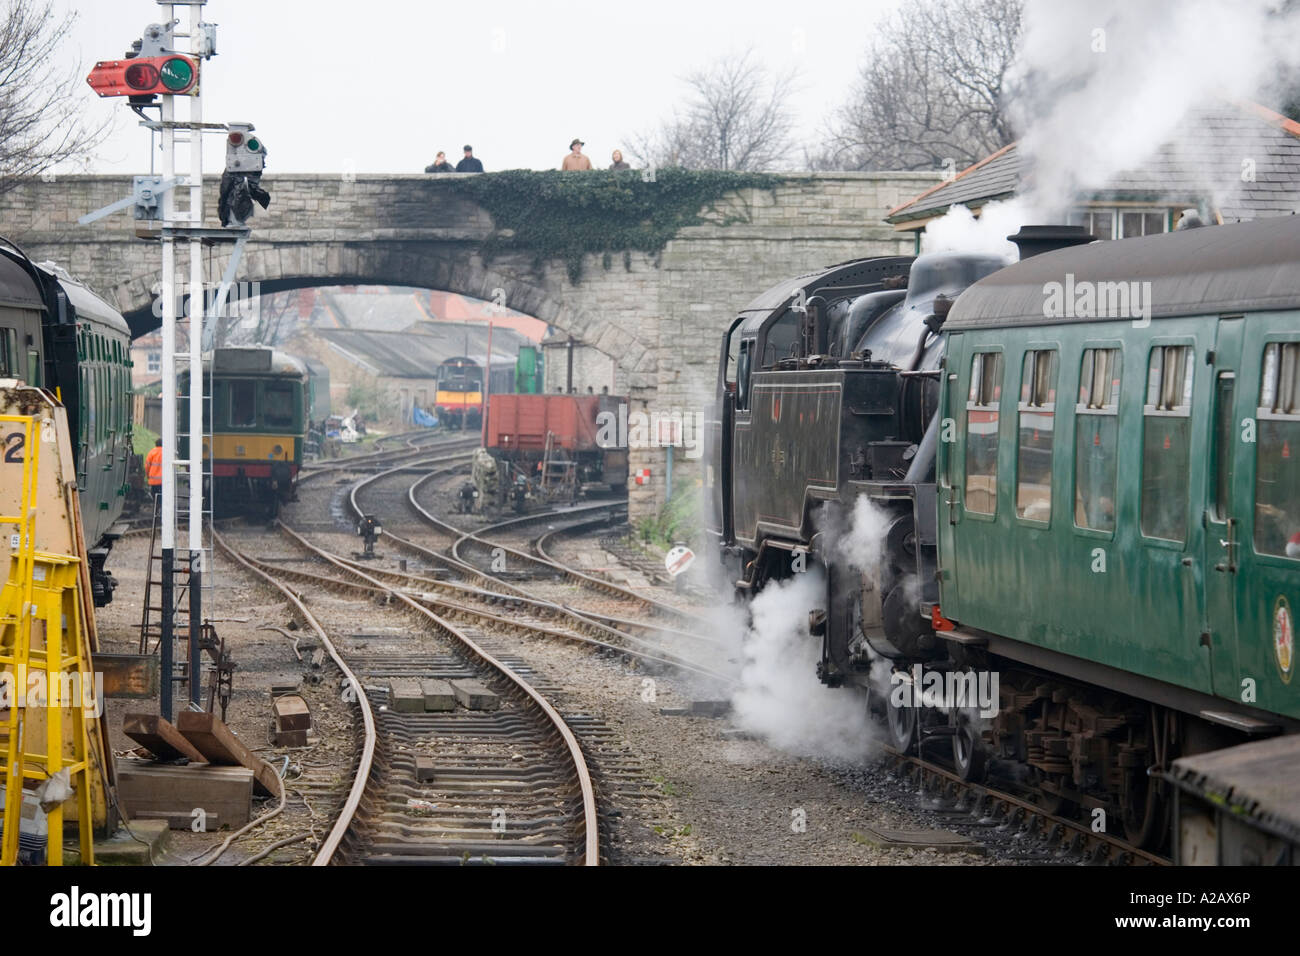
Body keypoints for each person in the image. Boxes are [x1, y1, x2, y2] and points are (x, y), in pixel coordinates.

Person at [145, 438, 163, 504]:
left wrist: (148, 476)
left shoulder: (152, 452)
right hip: (164, 481)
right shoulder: (167, 452)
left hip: (154, 480)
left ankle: (156, 508)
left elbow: (147, 466)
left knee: (155, 495)